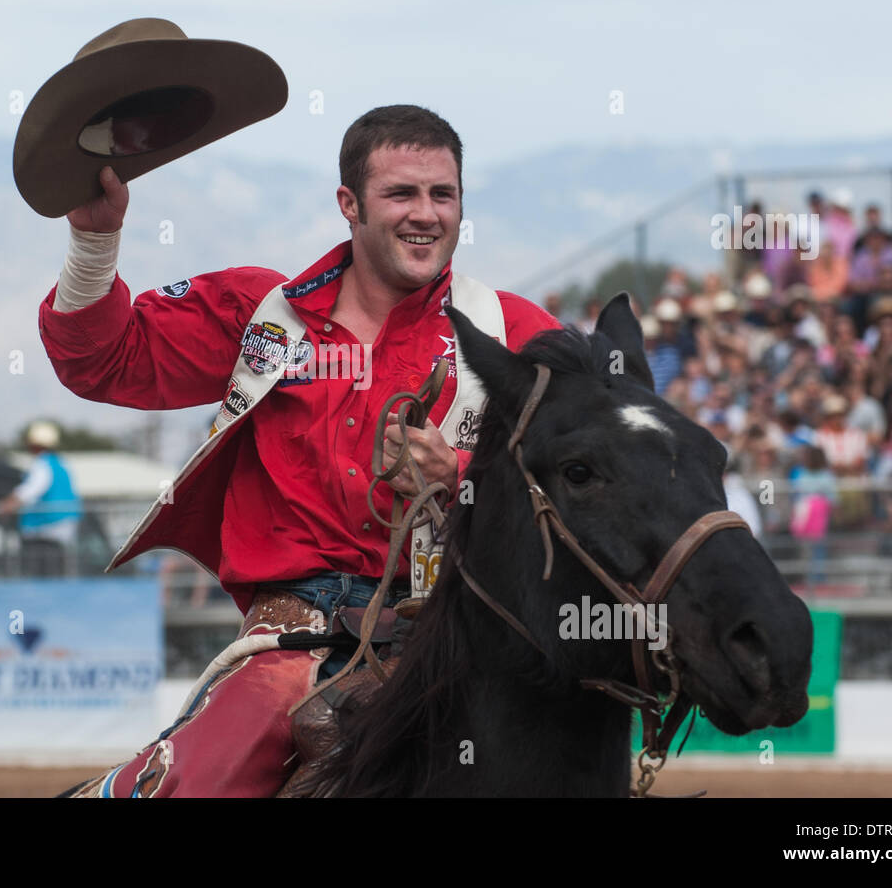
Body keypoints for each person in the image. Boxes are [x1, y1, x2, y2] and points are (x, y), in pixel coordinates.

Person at [38, 105, 559, 796]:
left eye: (444, 194)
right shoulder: (263, 315)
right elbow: (101, 360)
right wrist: (93, 240)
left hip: (454, 639)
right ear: (349, 204)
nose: (426, 213)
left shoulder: (513, 330)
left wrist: (458, 473)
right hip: (288, 647)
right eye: (401, 193)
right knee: (194, 784)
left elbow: (588, 482)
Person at [0, 420, 82, 576]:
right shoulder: (60, 464)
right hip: (62, 523)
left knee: (41, 572)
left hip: (46, 526)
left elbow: (32, 489)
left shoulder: (42, 464)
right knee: (57, 569)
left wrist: (10, 503)